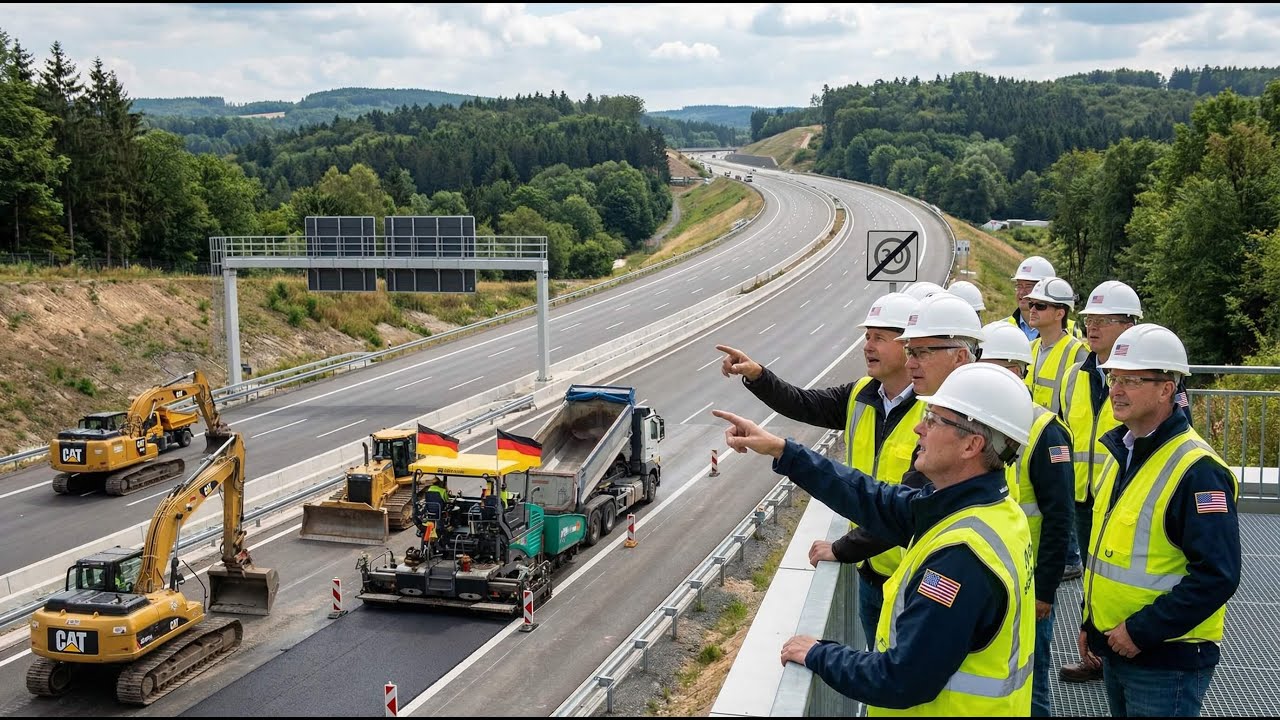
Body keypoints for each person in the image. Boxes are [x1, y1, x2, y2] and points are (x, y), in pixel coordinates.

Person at [713, 362, 1035, 715]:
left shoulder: (961, 560)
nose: (918, 427)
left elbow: (901, 679)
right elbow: (873, 498)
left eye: (934, 420)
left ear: (971, 445)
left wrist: (821, 653)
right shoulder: (989, 510)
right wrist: (782, 451)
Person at [717, 292, 923, 648]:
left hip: (912, 576)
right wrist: (757, 375)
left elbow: (911, 509)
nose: (867, 346)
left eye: (879, 338)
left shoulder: (934, 416)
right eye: (866, 336)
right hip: (871, 573)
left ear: (909, 346)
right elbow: (804, 403)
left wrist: (844, 548)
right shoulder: (862, 394)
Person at [1080, 323, 1239, 717]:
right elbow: (1108, 550)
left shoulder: (1198, 470)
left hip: (1165, 659)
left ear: (1167, 388)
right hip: (1118, 647)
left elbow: (1218, 574)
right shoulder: (1124, 453)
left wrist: (1140, 631)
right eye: (1114, 377)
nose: (1115, 389)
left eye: (1132, 380)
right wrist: (1091, 621)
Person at [980, 321, 1074, 717]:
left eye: (1003, 368)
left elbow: (1059, 518)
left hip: (1028, 583)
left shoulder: (1044, 431)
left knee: (1031, 689)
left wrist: (1045, 592)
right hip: (988, 579)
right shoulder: (976, 421)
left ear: (1021, 371)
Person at [1057, 280, 1144, 682]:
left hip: (1126, 497)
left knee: (1127, 575)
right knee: (1093, 575)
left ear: (1129, 325)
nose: (1092, 327)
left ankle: (1128, 649)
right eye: (1089, 319)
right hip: (1082, 493)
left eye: (1104, 320)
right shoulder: (1077, 375)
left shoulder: (1146, 375)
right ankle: (1095, 653)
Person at [1023, 277, 1088, 414]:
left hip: (1060, 434)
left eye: (1040, 306)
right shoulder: (1029, 348)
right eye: (1031, 304)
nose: (1032, 310)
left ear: (1059, 314)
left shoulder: (1078, 353)